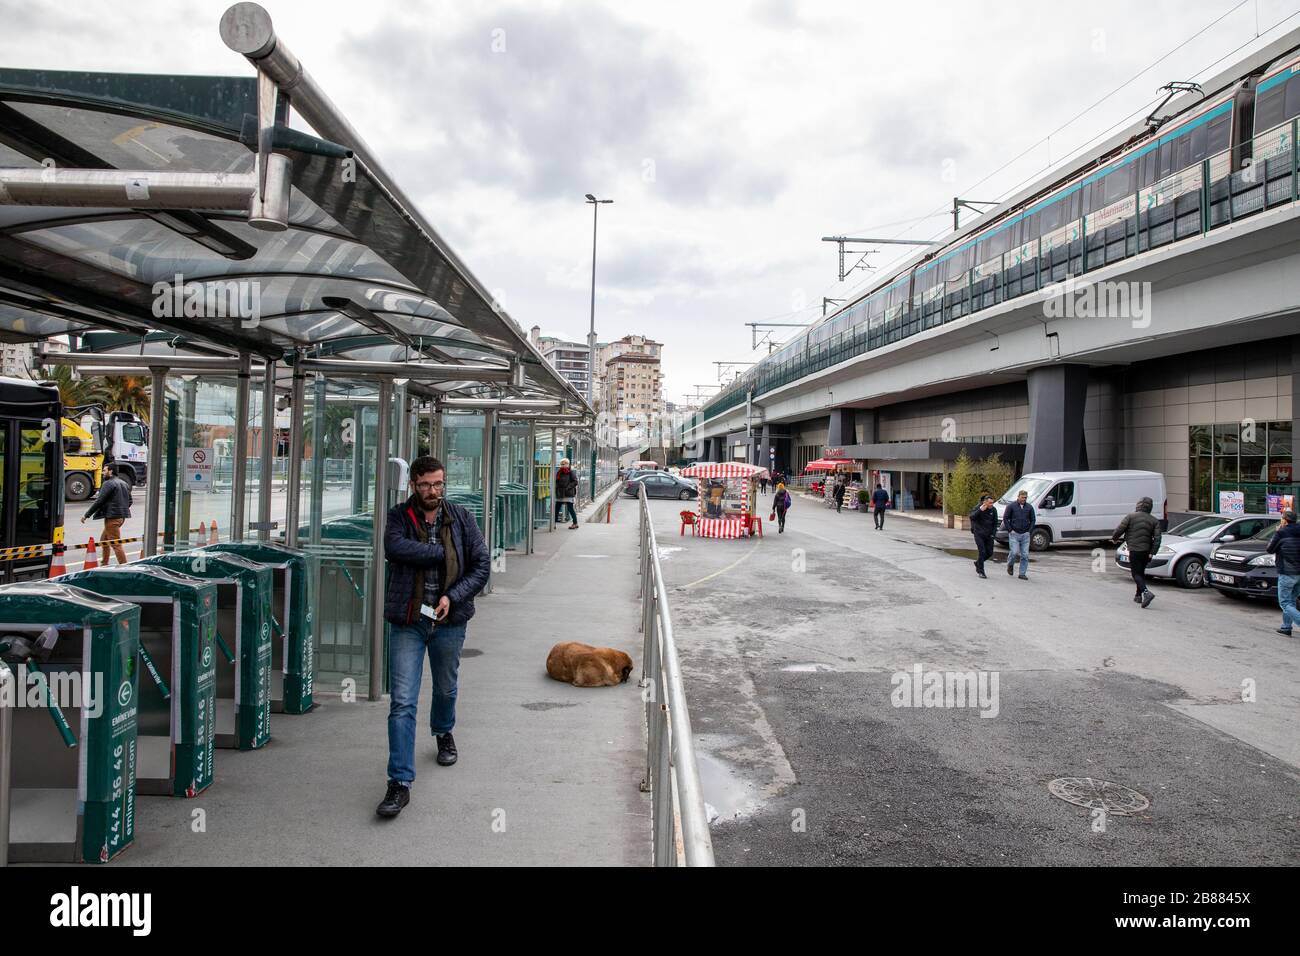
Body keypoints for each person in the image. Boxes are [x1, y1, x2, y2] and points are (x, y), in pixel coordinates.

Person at [377, 455, 491, 819]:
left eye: (438, 483)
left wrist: (451, 596)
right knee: (402, 701)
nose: (432, 491)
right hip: (408, 620)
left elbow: (481, 565)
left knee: (445, 689)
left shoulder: (461, 517)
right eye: (425, 484)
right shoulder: (399, 516)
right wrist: (441, 554)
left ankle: (443, 732)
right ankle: (399, 782)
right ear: (413, 484)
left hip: (449, 619)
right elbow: (395, 548)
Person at [1111, 496, 1162, 608]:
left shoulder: (1130, 516)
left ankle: (1146, 592)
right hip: (1146, 551)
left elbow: (1120, 529)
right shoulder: (1154, 520)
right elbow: (1158, 539)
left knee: (1135, 573)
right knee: (1141, 572)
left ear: (1138, 505)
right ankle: (1138, 596)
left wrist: (1114, 538)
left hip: (1134, 549)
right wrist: (1152, 552)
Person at [81, 463, 132, 565]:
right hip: (120, 517)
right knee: (104, 540)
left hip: (112, 518)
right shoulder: (124, 483)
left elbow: (99, 501)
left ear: (110, 471)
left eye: (104, 470)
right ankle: (104, 563)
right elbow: (130, 501)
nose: (103, 473)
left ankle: (124, 565)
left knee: (116, 544)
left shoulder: (108, 483)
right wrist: (121, 510)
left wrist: (86, 515)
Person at [1266, 509, 1300, 637]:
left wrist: (1276, 532)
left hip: (1287, 572)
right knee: (1291, 601)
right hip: (1299, 573)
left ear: (1284, 520)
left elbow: (1269, 549)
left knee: (1284, 603)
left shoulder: (1281, 532)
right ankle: (1286, 627)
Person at [1001, 489, 1036, 579]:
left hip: (1025, 534)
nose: (1024, 499)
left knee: (1025, 555)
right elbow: (1005, 518)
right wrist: (1010, 530)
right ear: (1018, 496)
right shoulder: (1011, 506)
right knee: (1014, 552)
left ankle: (1022, 573)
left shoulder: (1029, 507)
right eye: (1022, 497)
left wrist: (1029, 531)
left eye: (1025, 497)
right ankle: (1010, 564)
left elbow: (1033, 520)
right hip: (1014, 534)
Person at [969, 493, 998, 578]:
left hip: (989, 535)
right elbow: (972, 517)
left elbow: (995, 523)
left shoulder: (993, 510)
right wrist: (980, 510)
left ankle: (978, 563)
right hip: (979, 534)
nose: (991, 505)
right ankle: (981, 571)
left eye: (992, 503)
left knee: (989, 553)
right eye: (990, 503)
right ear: (985, 503)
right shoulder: (979, 508)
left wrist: (993, 534)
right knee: (982, 552)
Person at [555, 458, 579, 529]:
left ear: (568, 464)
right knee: (556, 508)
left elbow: (575, 482)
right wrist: (556, 488)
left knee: (570, 508)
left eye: (564, 464)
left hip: (568, 493)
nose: (563, 465)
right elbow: (557, 482)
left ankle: (575, 523)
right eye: (562, 464)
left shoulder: (571, 472)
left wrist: (568, 487)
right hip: (560, 493)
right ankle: (553, 523)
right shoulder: (559, 472)